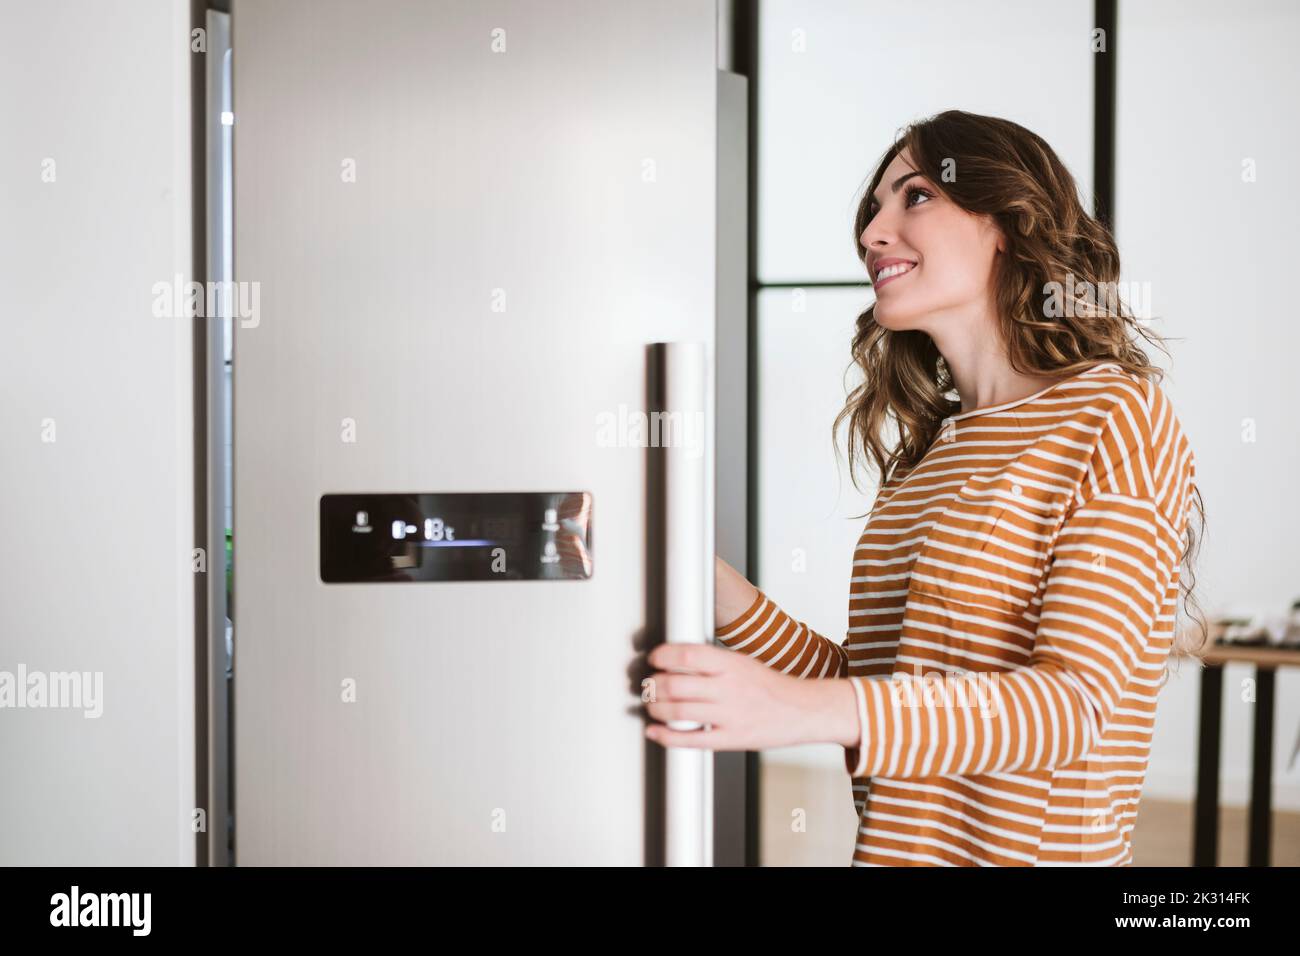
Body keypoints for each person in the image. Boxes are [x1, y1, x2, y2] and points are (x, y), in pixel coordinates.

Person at [644, 109, 1206, 867]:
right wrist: (712, 588)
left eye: (913, 197)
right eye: (873, 209)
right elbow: (879, 687)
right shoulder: (929, 458)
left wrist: (801, 709)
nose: (873, 233)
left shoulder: (1113, 413)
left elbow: (1072, 707)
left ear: (1006, 220)